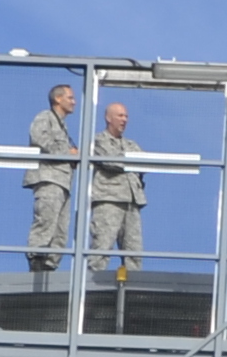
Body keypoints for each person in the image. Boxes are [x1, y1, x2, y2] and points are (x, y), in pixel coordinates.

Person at [21, 83, 81, 287]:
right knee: (46, 222)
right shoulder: (45, 117)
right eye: (70, 97)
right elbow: (39, 139)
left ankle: (49, 266)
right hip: (49, 179)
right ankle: (36, 263)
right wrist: (68, 151)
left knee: (60, 231)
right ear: (58, 99)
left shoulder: (63, 126)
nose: (74, 101)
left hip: (63, 182)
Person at [87, 94, 145, 296]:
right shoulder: (99, 140)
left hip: (132, 201)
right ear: (109, 118)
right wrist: (130, 163)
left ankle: (134, 293)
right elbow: (112, 162)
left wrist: (132, 164)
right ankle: (91, 292)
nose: (124, 120)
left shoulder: (131, 144)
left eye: (126, 116)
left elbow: (142, 165)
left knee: (134, 252)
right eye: (120, 115)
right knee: (101, 249)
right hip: (108, 201)